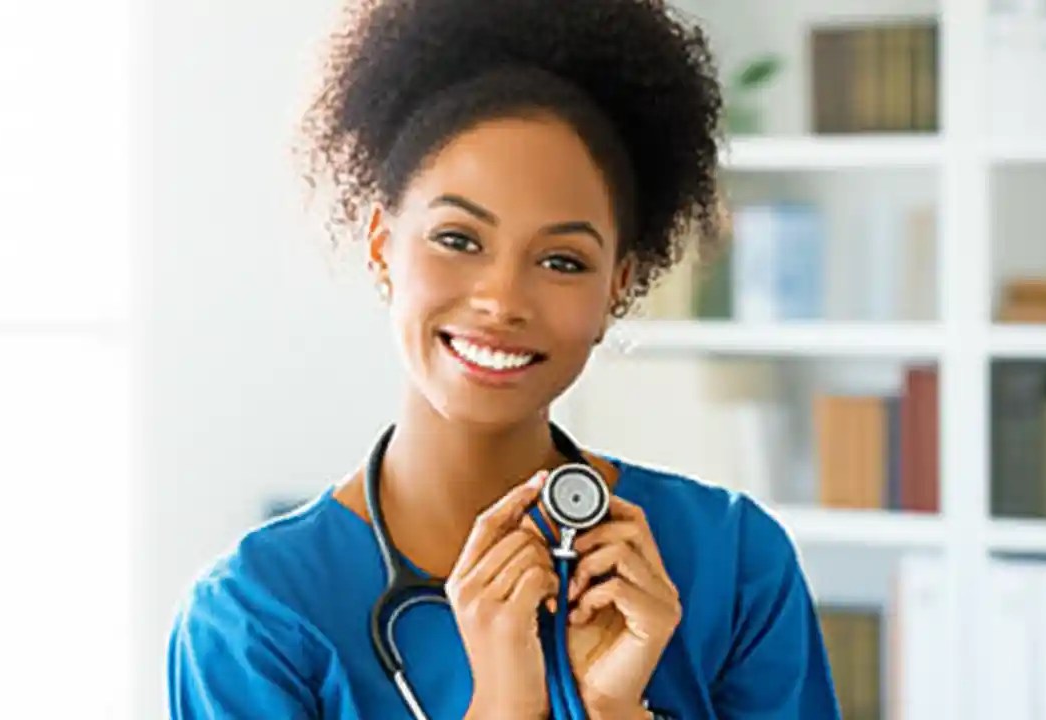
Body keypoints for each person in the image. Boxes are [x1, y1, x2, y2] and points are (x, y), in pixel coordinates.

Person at [168, 0, 841, 717]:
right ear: (380, 245)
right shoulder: (253, 621)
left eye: (561, 259)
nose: (502, 299)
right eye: (458, 239)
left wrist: (614, 708)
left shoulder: (732, 567)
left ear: (620, 283)